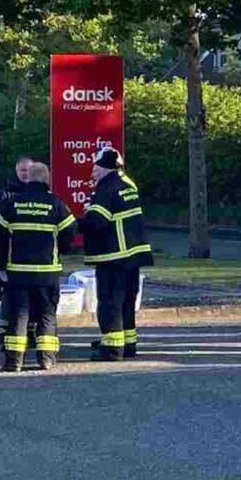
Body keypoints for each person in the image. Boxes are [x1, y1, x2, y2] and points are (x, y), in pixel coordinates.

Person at [0, 161, 76, 372]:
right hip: (47, 273)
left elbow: (0, 237)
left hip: (18, 272)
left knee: (18, 316)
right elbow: (70, 229)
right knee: (46, 315)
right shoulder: (55, 203)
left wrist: (1, 265)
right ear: (47, 179)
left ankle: (14, 361)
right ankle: (46, 359)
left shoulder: (12, 203)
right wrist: (62, 248)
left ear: (27, 178)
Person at [80, 147, 153, 361]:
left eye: (96, 167)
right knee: (127, 303)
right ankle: (128, 344)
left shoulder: (106, 187)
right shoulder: (128, 183)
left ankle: (112, 348)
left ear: (105, 168)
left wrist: (79, 221)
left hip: (113, 256)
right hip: (132, 255)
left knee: (110, 302)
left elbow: (97, 222)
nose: (93, 171)